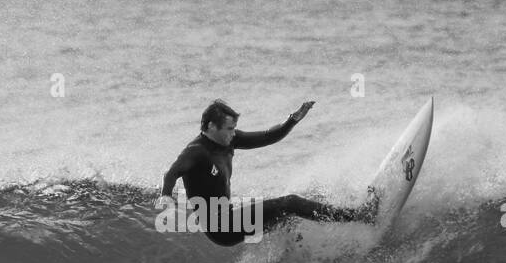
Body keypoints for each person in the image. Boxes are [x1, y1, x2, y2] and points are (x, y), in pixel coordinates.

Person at [156, 98, 375, 247]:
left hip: (230, 219)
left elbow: (269, 136)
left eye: (234, 128)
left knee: (290, 219)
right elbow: (172, 173)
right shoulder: (196, 152)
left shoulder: (229, 140)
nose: (234, 134)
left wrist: (293, 119)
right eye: (229, 129)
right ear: (212, 127)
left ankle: (305, 255)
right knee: (290, 203)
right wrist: (166, 195)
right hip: (220, 227)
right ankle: (359, 216)